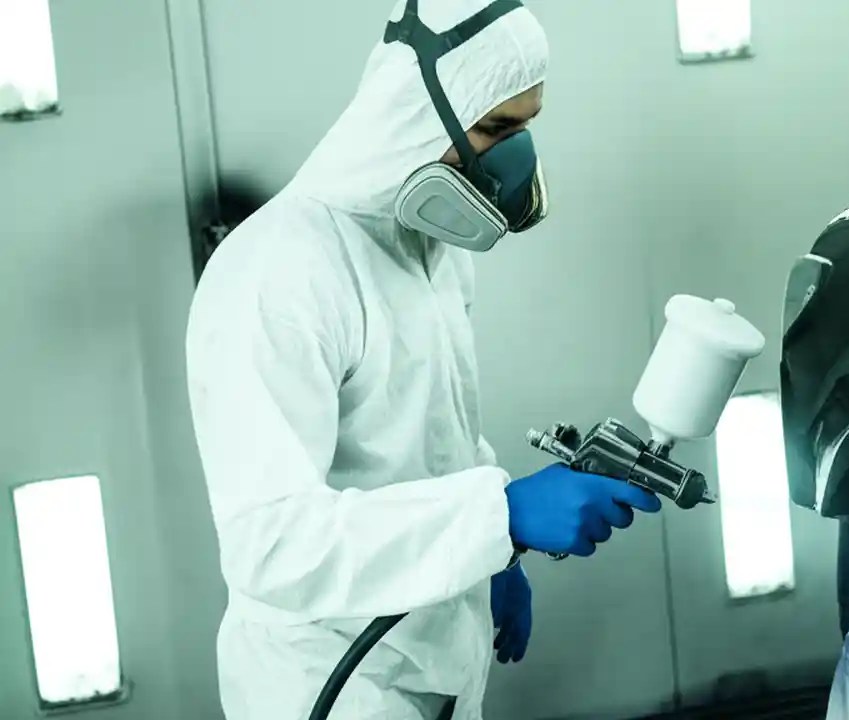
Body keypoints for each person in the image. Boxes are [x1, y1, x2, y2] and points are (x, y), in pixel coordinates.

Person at [184, 1, 661, 718]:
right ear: (418, 113)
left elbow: (434, 432)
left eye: (527, 125)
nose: (515, 159)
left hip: (435, 655)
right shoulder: (277, 273)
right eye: (498, 129)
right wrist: (496, 518)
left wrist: (487, 560)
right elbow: (271, 544)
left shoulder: (428, 246)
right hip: (331, 683)